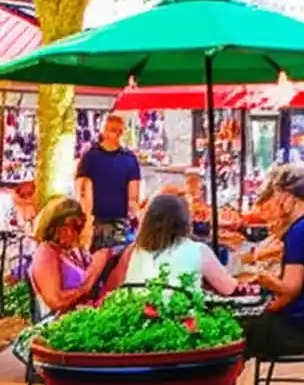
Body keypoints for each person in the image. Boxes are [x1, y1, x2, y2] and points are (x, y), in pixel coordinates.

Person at [242, 165, 304, 357]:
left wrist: (262, 278)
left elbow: (290, 288)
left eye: (276, 196)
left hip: (295, 331)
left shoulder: (300, 232)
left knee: (230, 330)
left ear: (287, 197)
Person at [105, 194, 239, 295]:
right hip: (181, 326)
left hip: (134, 323)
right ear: (185, 223)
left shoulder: (132, 250)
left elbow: (112, 288)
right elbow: (228, 288)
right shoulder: (198, 250)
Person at [29, 196, 112, 318]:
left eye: (78, 228)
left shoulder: (74, 253)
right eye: (70, 227)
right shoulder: (46, 252)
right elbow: (55, 301)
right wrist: (86, 285)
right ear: (55, 226)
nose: (72, 233)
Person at [75, 113, 142, 250]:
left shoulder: (129, 159)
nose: (117, 135)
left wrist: (137, 218)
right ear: (104, 131)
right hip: (94, 220)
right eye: (113, 130)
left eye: (120, 131)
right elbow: (81, 188)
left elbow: (133, 196)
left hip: (120, 222)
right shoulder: (90, 156)